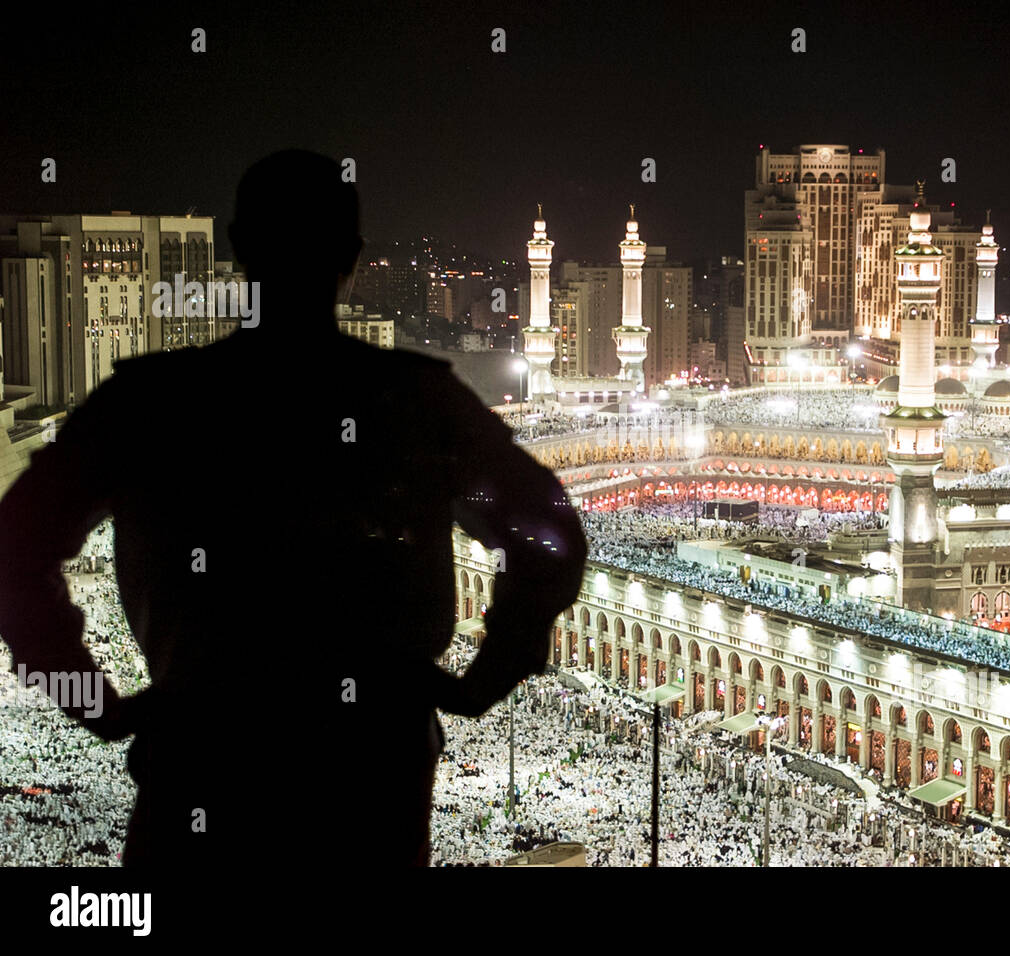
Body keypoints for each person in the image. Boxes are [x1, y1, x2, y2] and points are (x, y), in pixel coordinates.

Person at [0, 150, 587, 867]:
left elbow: (17, 542)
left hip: (203, 756)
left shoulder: (153, 401)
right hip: (369, 773)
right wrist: (488, 674)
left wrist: (96, 701)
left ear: (237, 248)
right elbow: (549, 529)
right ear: (352, 258)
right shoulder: (415, 401)